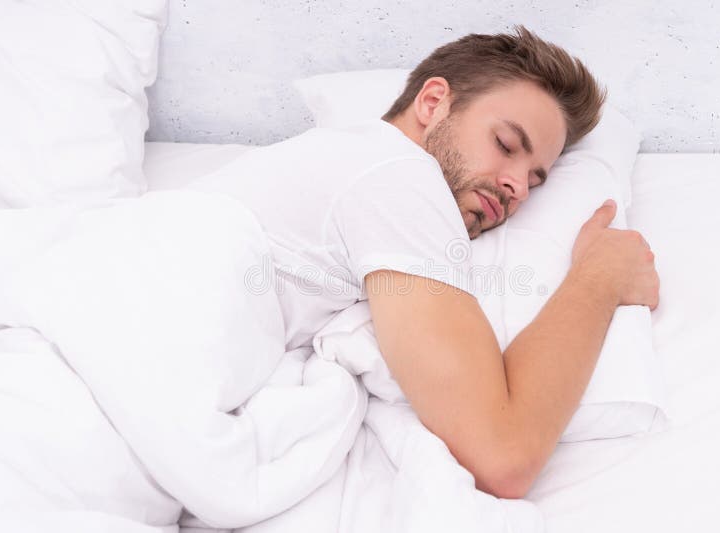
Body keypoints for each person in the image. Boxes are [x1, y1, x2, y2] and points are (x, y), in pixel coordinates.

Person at [193, 25, 659, 499]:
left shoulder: (343, 163)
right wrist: (599, 277)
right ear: (433, 102)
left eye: (535, 181)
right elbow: (502, 453)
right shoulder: (399, 174)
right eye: (505, 144)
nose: (518, 186)